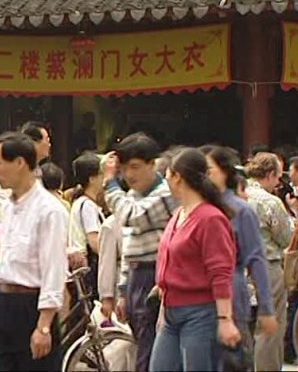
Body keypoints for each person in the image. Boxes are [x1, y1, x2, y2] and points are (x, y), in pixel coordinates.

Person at [149, 148, 241, 371]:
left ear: (177, 177)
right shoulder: (179, 213)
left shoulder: (210, 218)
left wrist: (225, 319)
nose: (166, 181)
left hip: (200, 311)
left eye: (168, 175)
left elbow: (220, 271)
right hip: (171, 310)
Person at [0, 132, 67, 371]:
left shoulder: (49, 210)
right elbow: (6, 261)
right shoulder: (7, 206)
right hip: (3, 304)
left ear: (20, 162)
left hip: (31, 306)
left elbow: (54, 269)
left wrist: (44, 326)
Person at [102, 132, 176, 372]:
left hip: (155, 274)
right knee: (142, 342)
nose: (129, 175)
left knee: (150, 347)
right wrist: (122, 291)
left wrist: (110, 183)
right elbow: (129, 246)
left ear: (152, 164)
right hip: (136, 275)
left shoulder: (165, 194)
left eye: (134, 167)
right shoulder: (133, 195)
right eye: (124, 169)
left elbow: (132, 217)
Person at [203, 145, 278, 366]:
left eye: (210, 170)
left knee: (232, 360)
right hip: (196, 299)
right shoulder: (191, 208)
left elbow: (256, 258)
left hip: (231, 292)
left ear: (225, 172)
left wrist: (266, 307)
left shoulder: (240, 210)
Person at [245, 152, 293, 371]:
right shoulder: (270, 202)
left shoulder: (237, 195)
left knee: (243, 326)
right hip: (266, 267)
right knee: (268, 328)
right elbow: (285, 238)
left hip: (238, 268)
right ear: (271, 174)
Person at [67, 153, 104, 291]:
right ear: (92, 178)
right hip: (89, 267)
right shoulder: (87, 205)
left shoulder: (81, 202)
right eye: (101, 174)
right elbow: (94, 241)